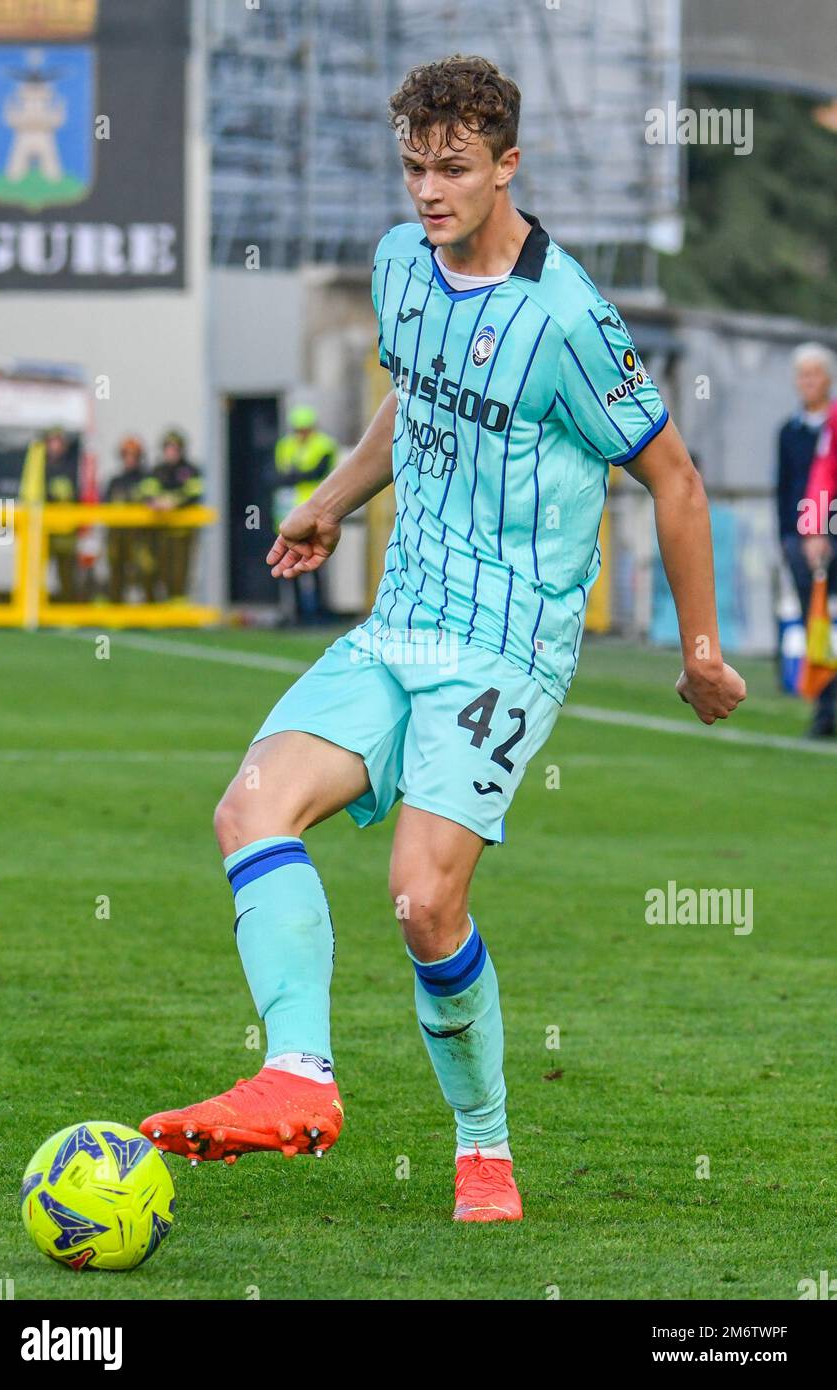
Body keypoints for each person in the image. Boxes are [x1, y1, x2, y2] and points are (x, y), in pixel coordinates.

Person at [141, 55, 745, 1222]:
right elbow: (411, 398)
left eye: (453, 169)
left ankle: (482, 1146)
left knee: (423, 902)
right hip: (399, 620)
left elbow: (673, 479)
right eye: (414, 166)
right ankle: (298, 1077)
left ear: (506, 164)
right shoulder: (397, 264)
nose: (428, 190)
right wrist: (332, 496)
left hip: (504, 646)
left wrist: (700, 650)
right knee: (248, 807)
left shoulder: (570, 318)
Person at [777, 344, 837, 736]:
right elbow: (816, 480)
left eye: (814, 374)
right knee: (819, 625)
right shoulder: (794, 432)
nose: (808, 382)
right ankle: (825, 709)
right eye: (803, 375)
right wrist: (805, 532)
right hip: (810, 543)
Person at [272, 406, 339, 623]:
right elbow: (280, 475)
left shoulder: (324, 444)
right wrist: (299, 475)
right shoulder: (285, 445)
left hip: (317, 512)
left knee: (316, 563)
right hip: (289, 512)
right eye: (298, 430)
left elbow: (318, 472)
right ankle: (295, 612)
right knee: (289, 563)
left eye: (305, 430)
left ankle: (318, 610)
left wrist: (297, 475)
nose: (301, 434)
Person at [19, 426, 77, 602]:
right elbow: (31, 493)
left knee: (66, 574)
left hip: (65, 530)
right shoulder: (38, 462)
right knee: (36, 571)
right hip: (41, 529)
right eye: (52, 441)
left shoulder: (72, 465)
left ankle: (65, 610)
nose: (55, 446)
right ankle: (34, 609)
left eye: (58, 441)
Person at [147, 430, 204, 601]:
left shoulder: (191, 470)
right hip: (161, 531)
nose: (171, 452)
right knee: (160, 570)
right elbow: (148, 493)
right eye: (168, 448)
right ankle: (164, 610)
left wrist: (174, 503)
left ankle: (178, 607)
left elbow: (194, 494)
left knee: (180, 571)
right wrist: (157, 502)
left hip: (183, 533)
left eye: (175, 448)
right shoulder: (158, 470)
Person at [104, 436, 157, 604]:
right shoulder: (115, 481)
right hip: (117, 536)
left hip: (141, 537)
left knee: (146, 572)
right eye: (126, 455)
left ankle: (150, 609)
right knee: (116, 573)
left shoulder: (147, 480)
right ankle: (115, 609)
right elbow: (105, 507)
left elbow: (153, 500)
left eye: (133, 455)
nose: (129, 459)